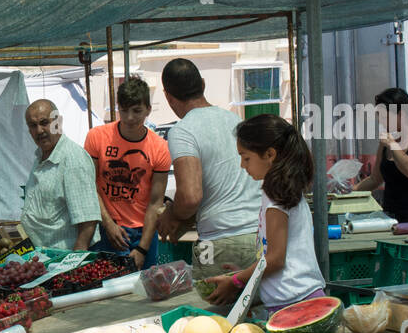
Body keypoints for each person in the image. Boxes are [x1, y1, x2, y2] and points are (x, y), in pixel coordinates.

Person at [155, 58, 261, 285]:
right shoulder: (234, 120)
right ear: (203, 84)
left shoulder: (183, 131)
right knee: (255, 317)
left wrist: (171, 214)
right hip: (258, 238)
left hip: (218, 244)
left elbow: (191, 196)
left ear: (167, 96)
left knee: (214, 319)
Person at [204, 115, 325, 312]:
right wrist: (247, 273)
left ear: (270, 154)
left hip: (295, 302)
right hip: (298, 298)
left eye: (246, 158)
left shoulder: (275, 194)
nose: (243, 166)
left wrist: (236, 281)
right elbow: (276, 255)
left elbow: (276, 259)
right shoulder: (281, 188)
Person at [83, 77, 171, 270]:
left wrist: (142, 249)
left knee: (145, 293)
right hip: (107, 229)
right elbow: (89, 186)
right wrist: (108, 223)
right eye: (124, 110)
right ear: (118, 109)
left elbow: (155, 203)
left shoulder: (160, 148)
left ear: (148, 109)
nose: (130, 117)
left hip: (144, 232)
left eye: (137, 111)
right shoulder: (97, 137)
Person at [348, 88, 408, 223]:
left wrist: (393, 145)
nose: (381, 122)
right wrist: (349, 193)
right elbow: (375, 179)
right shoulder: (388, 141)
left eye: (385, 117)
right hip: (392, 219)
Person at [19, 100, 100, 251]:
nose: (39, 130)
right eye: (33, 125)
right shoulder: (41, 156)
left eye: (44, 123)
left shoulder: (73, 159)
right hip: (44, 257)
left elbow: (88, 220)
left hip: (64, 259)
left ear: (57, 122)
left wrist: (73, 265)